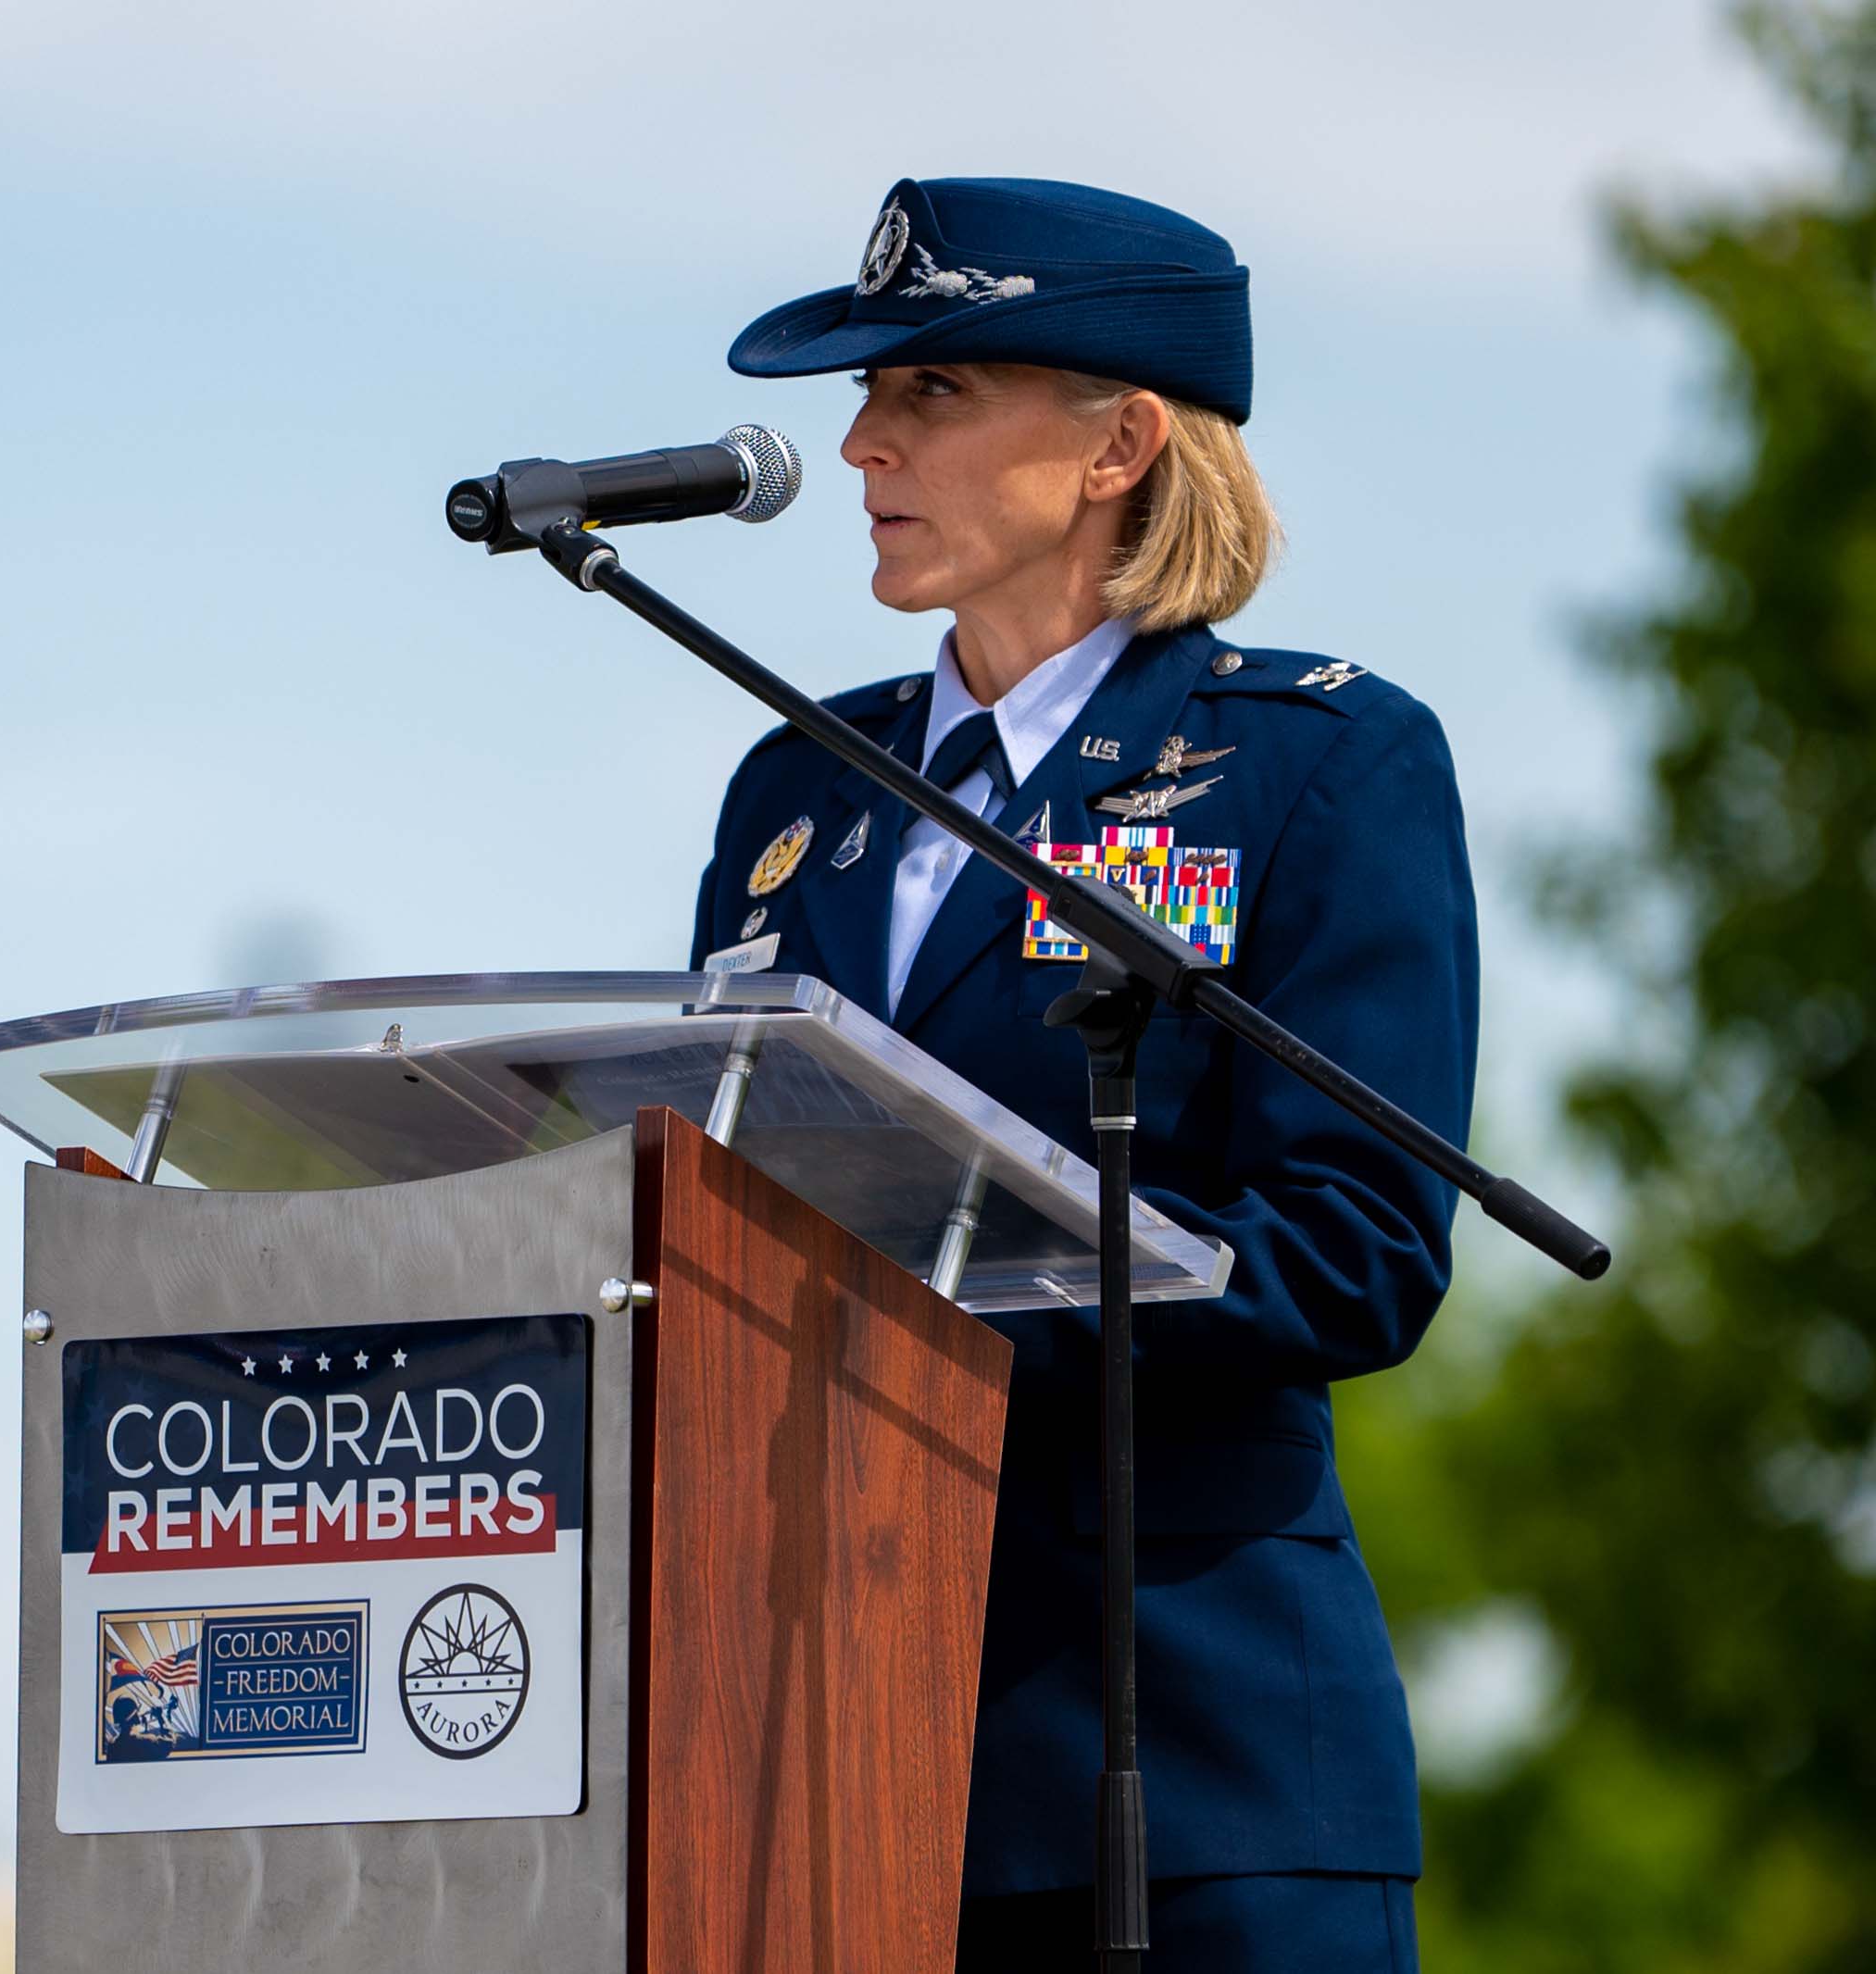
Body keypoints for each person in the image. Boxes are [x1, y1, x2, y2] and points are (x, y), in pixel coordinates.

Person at [694, 177, 1476, 1973]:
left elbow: (1353, 1249)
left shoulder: (1317, 764)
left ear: (1121, 440)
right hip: (841, 1780)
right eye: (871, 392)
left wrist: (927, 1301)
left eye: (932, 391)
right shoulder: (794, 795)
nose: (862, 436)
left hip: (1197, 1784)